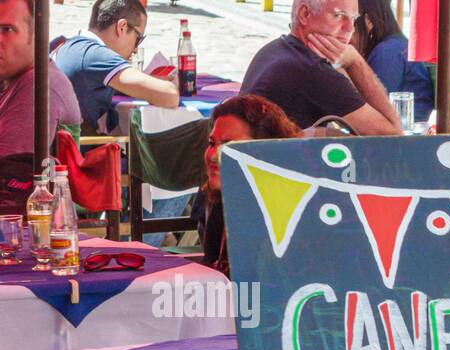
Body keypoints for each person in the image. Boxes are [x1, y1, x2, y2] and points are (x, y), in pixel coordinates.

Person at [242, 0, 402, 135]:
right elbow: (392, 135)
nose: (350, 29)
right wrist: (355, 61)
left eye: (353, 19)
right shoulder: (311, 70)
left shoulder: (275, 49)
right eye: (339, 16)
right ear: (304, 14)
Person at [196, 94, 301, 276]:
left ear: (264, 153)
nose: (213, 155)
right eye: (212, 143)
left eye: (229, 145)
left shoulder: (289, 218)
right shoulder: (220, 201)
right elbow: (212, 271)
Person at [52, 0, 180, 134]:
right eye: (138, 39)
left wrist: (145, 81)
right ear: (122, 27)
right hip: (77, 151)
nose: (136, 49)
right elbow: (170, 96)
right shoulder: (97, 55)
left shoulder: (69, 45)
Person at [0, 0, 80, 157]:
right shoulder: (12, 79)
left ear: (37, 34)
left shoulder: (39, 84)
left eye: (7, 29)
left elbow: (10, 173)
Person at [352, 0, 435, 124]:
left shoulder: (386, 52)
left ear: (368, 20)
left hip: (405, 134)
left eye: (351, 19)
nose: (345, 28)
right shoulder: (396, 46)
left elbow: (371, 112)